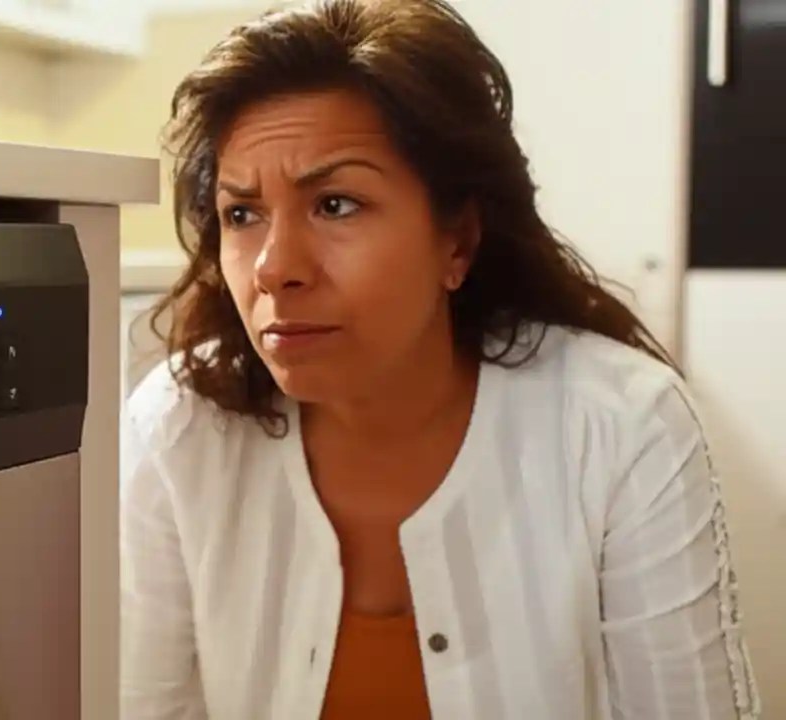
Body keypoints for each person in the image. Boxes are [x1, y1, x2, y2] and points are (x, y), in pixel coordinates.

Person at [119, 0, 761, 718]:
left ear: (455, 241)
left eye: (335, 204)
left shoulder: (620, 427)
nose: (274, 268)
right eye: (242, 214)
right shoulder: (176, 430)